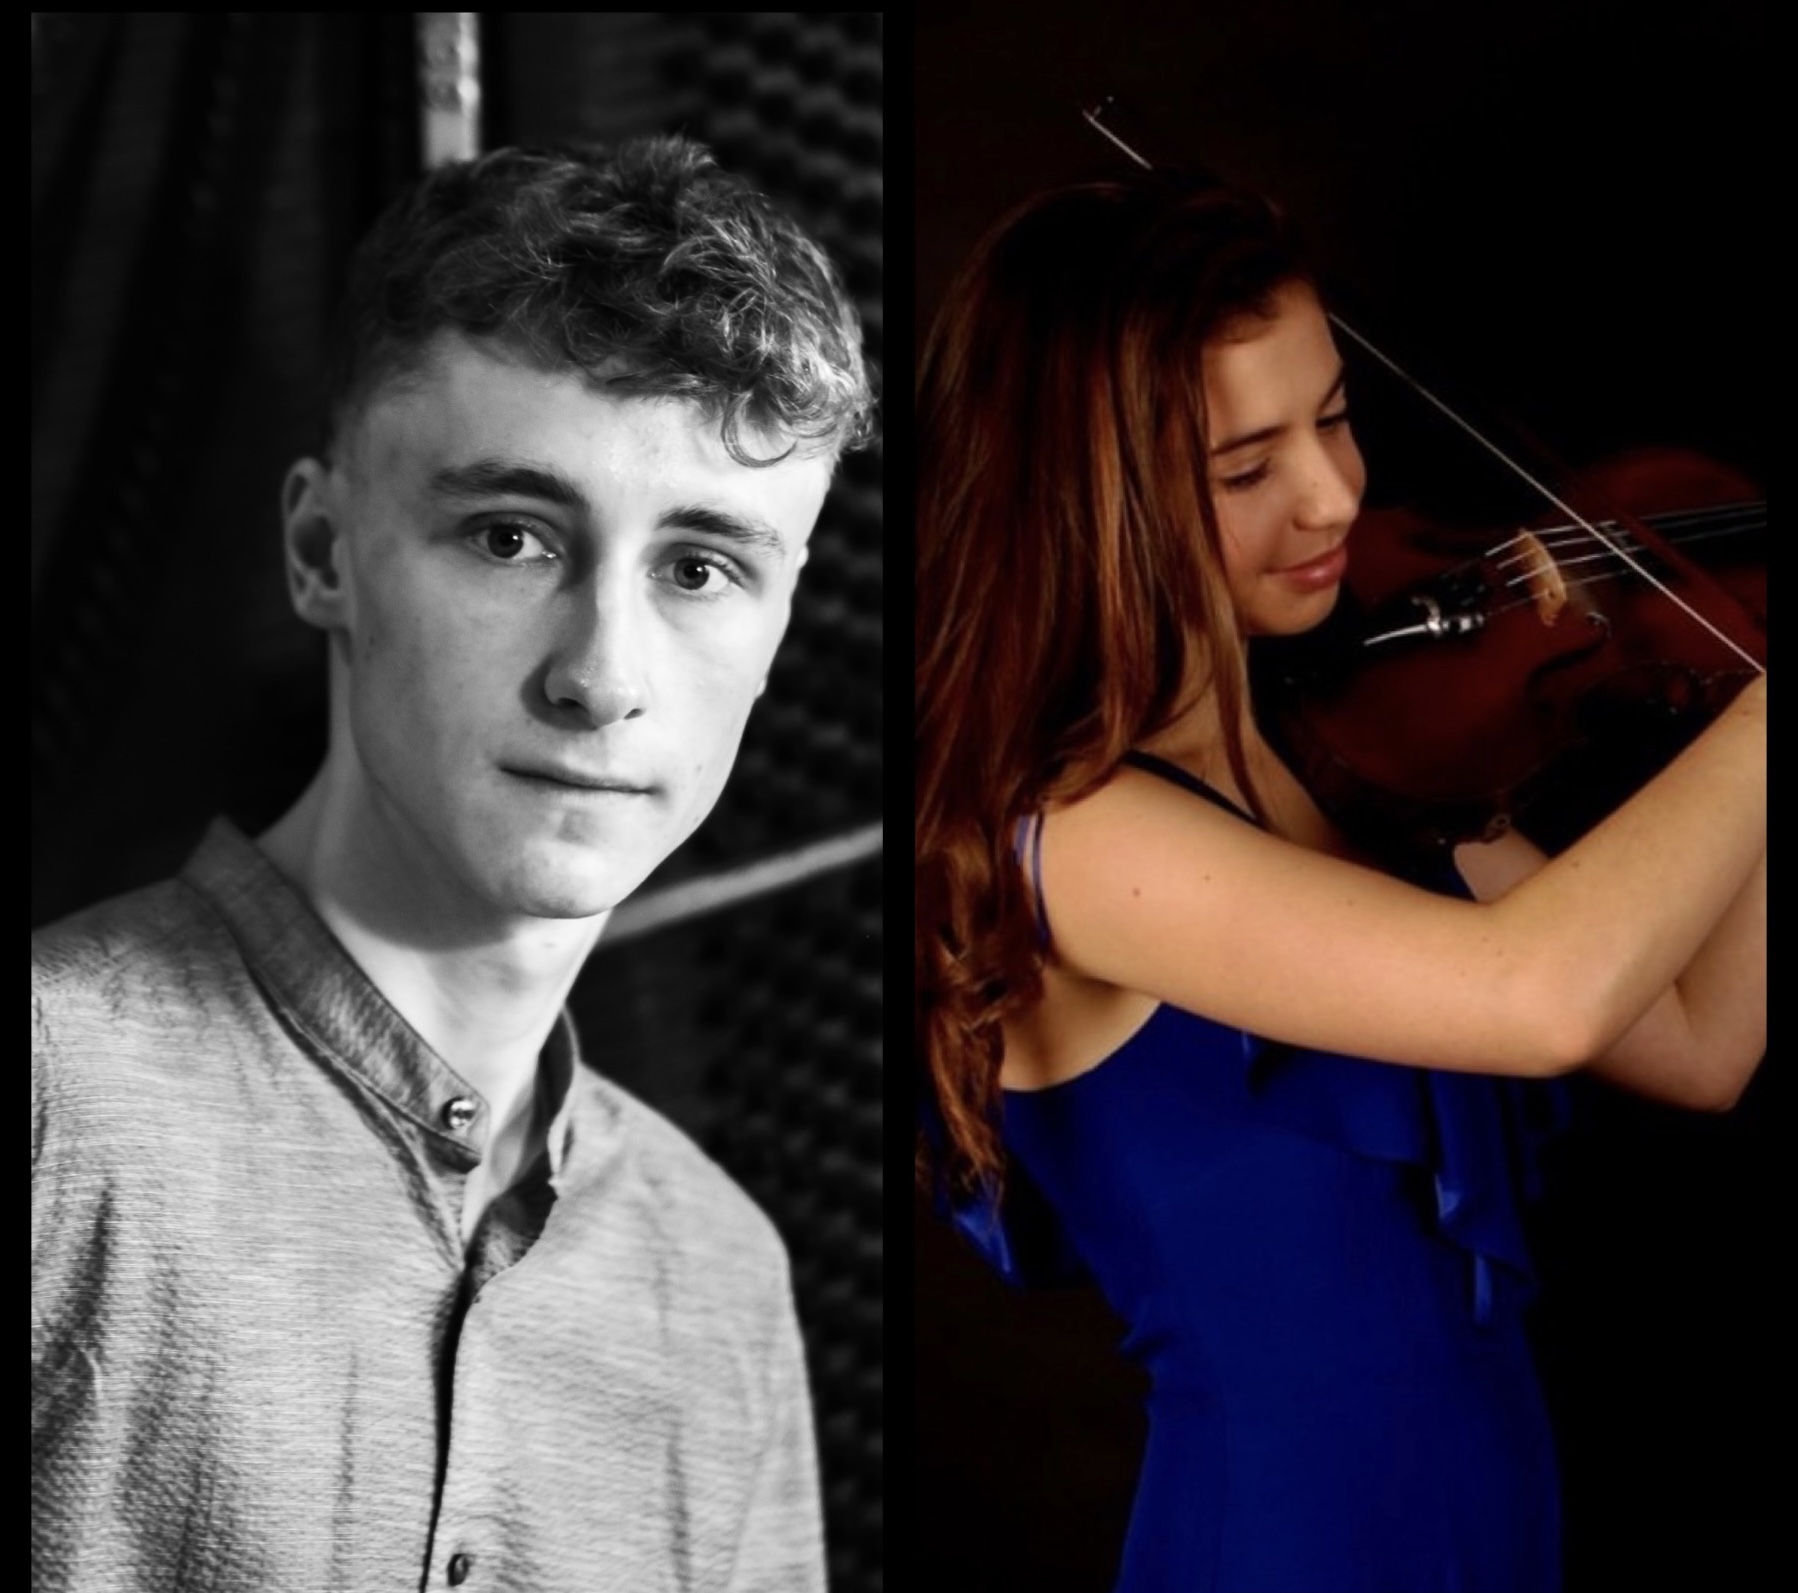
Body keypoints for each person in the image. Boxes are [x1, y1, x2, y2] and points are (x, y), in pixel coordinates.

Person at [32, 134, 875, 1593]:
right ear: (321, 547)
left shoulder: (720, 1277)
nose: (601, 676)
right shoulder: (55, 1096)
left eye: (698, 567)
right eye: (510, 536)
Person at [914, 168, 1765, 1593]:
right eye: (1244, 468)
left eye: (1331, 418)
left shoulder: (1359, 761)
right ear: (1091, 495)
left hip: (1493, 1539)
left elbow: (1698, 1045)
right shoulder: (1082, 838)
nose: (1331, 496)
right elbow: (1541, 993)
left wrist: (1739, 665)